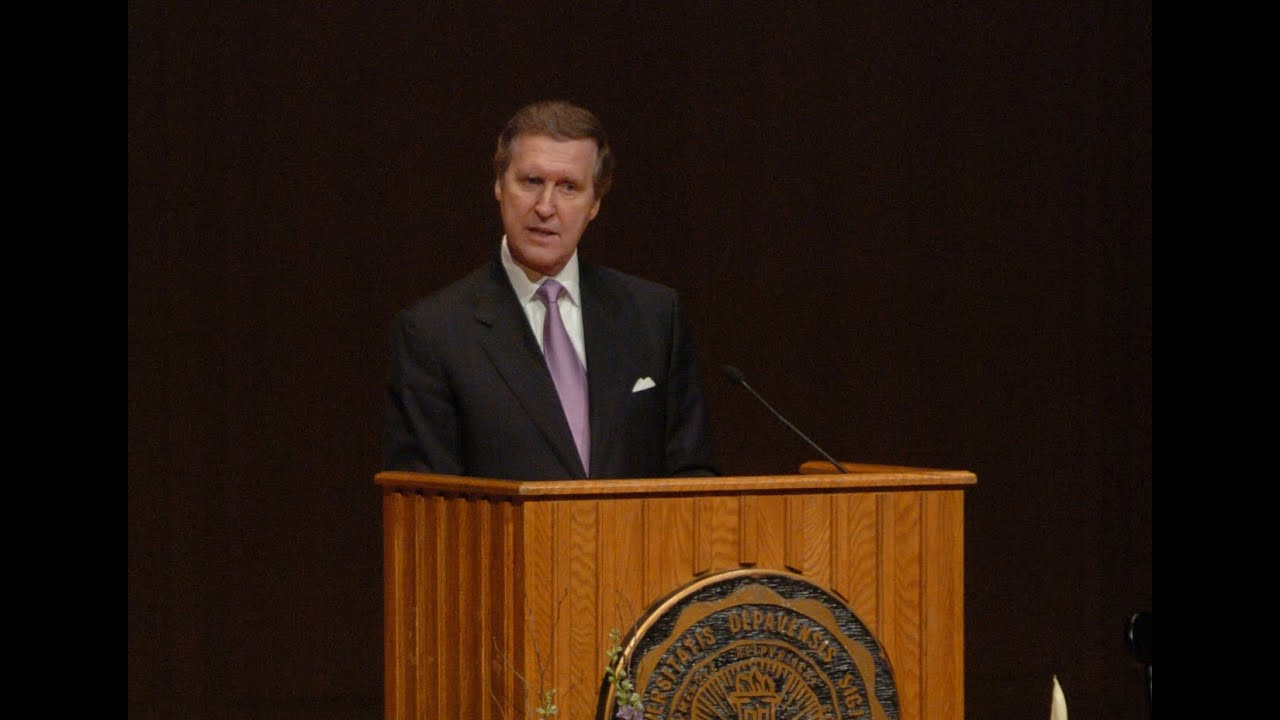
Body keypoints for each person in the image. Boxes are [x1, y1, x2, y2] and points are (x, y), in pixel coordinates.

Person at [383, 100, 719, 479]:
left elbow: (693, 478)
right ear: (498, 185)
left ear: (595, 204)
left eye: (568, 187)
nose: (545, 207)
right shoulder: (434, 333)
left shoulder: (655, 315)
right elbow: (429, 506)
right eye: (531, 182)